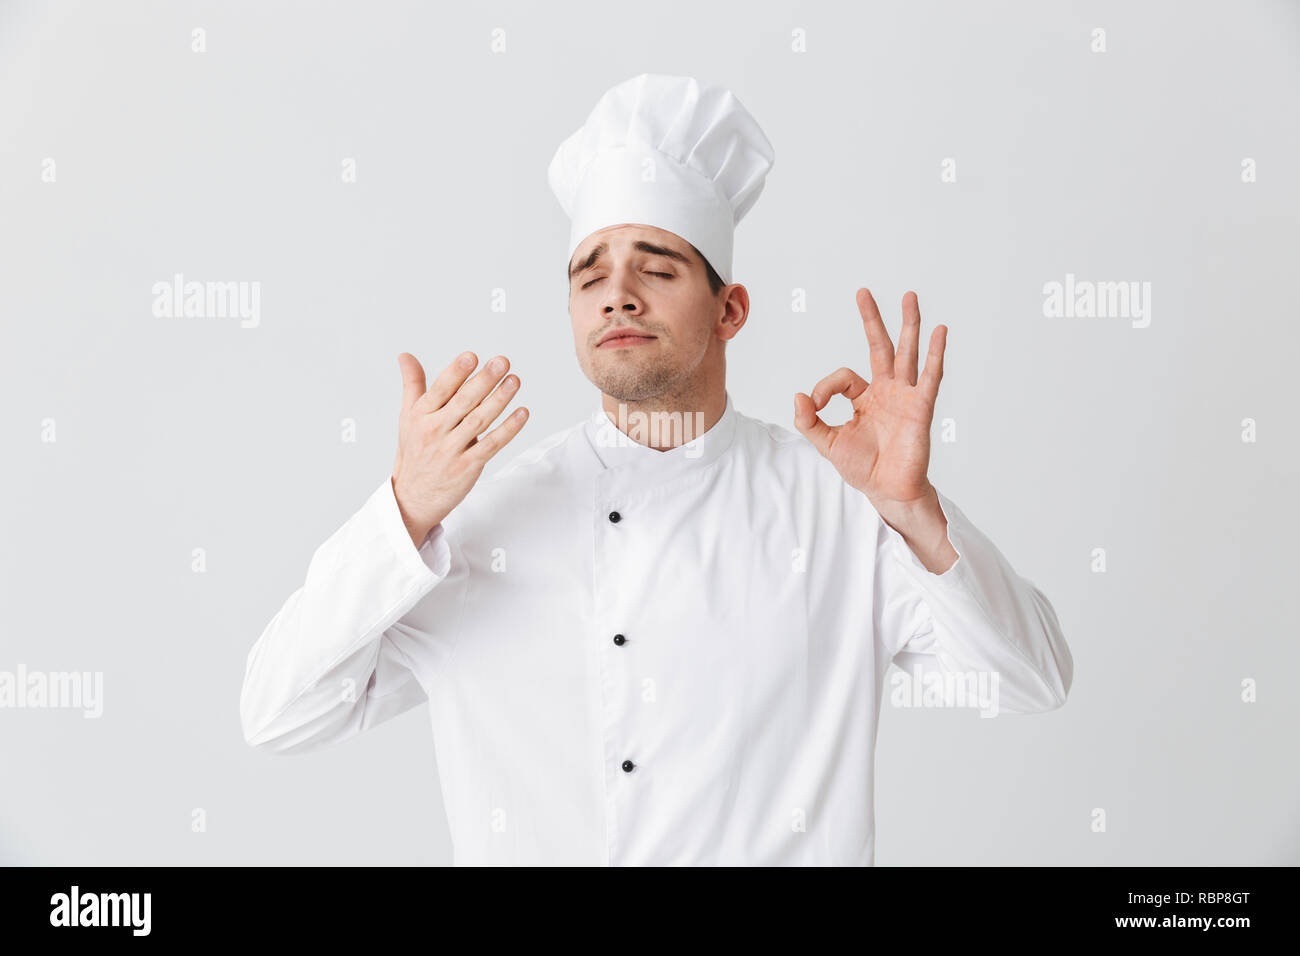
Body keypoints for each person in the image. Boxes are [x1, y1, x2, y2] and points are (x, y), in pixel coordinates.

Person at [240, 73, 1073, 866]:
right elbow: (278, 714)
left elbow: (1033, 681)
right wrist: (402, 515)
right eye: (589, 274)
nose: (618, 295)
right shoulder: (475, 522)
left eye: (658, 267)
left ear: (730, 308)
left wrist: (916, 509)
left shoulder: (841, 510)